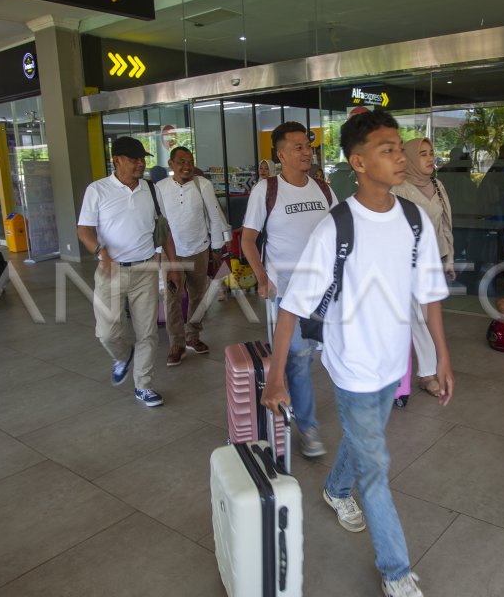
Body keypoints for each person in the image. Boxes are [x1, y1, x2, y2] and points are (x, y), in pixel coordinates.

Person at [262, 110, 453, 597]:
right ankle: (396, 573)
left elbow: (430, 295)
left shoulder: (413, 219)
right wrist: (276, 376)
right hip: (350, 365)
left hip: (392, 363)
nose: (400, 156)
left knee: (363, 437)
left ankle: (332, 488)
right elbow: (292, 305)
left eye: (400, 147)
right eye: (387, 148)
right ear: (359, 161)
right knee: (377, 467)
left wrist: (441, 359)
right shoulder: (336, 226)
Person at [241, 122, 338, 458]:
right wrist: (263, 279)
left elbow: (339, 231)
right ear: (280, 154)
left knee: (314, 354)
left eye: (308, 145)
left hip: (324, 291)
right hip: (286, 292)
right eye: (297, 146)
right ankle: (309, 429)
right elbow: (248, 240)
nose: (306, 151)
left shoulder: (323, 189)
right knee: (297, 356)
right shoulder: (266, 190)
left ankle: (296, 403)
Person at [77, 137, 174, 407]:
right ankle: (122, 356)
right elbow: (83, 230)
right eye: (134, 159)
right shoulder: (97, 190)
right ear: (117, 160)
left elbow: (164, 230)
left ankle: (143, 385)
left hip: (145, 269)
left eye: (142, 159)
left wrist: (171, 265)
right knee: (107, 333)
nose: (140, 164)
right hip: (111, 271)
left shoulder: (152, 190)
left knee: (148, 333)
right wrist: (100, 252)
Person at [393, 136, 455, 397]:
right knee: (414, 318)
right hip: (406, 264)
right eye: (423, 154)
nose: (430, 158)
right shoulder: (399, 188)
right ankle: (415, 375)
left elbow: (445, 225)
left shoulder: (437, 185)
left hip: (433, 260)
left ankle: (427, 373)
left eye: (431, 153)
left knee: (426, 317)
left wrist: (449, 257)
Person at [156, 146, 229, 367]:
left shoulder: (203, 184)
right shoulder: (160, 188)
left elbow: (214, 216)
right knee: (172, 300)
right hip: (172, 255)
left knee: (198, 297)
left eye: (189, 161)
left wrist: (216, 248)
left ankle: (193, 336)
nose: (186, 166)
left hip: (199, 249)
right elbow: (160, 223)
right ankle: (176, 343)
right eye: (181, 161)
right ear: (171, 164)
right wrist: (161, 253)